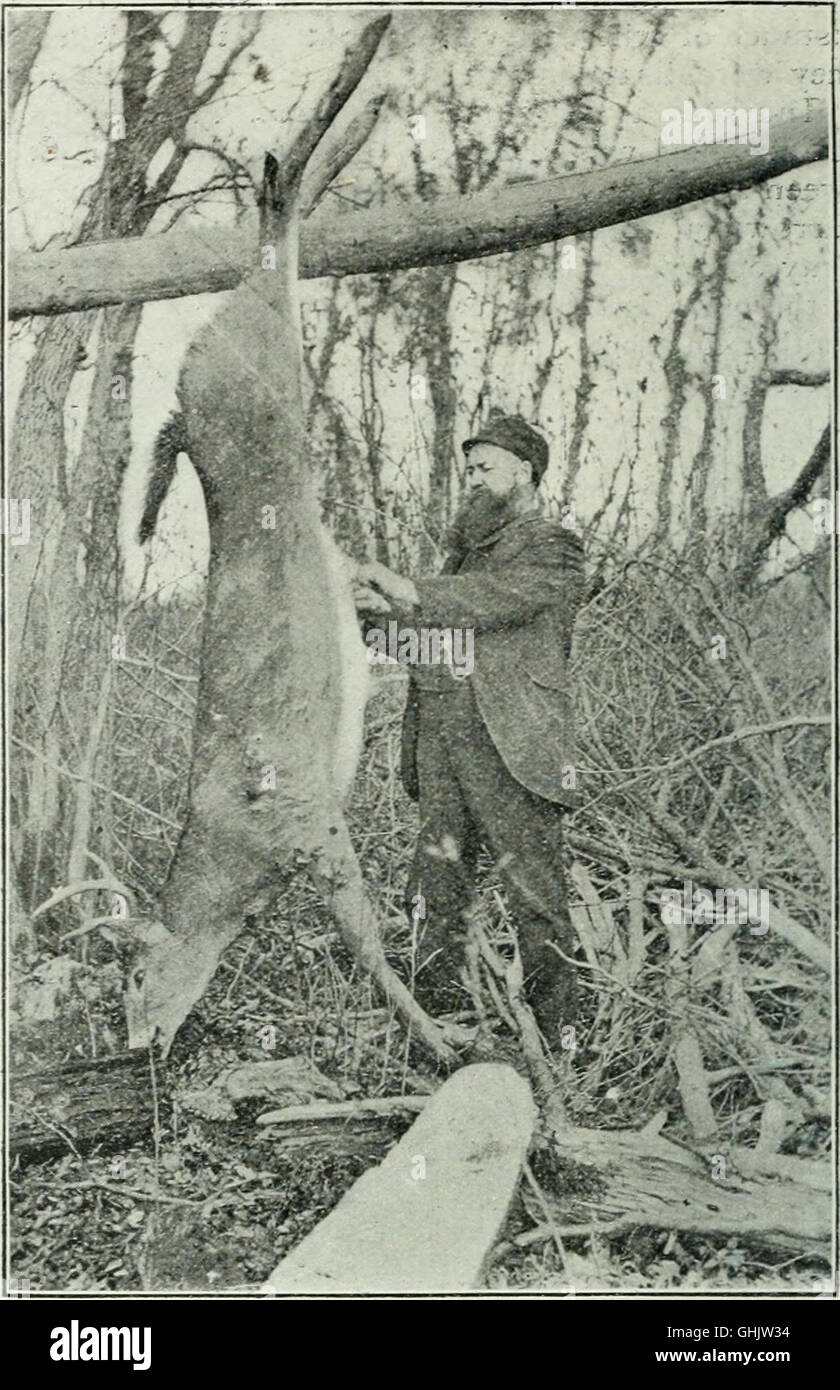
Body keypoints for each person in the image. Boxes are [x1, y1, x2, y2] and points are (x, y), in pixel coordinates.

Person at [353, 414, 585, 1045]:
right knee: (434, 889)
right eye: (469, 471)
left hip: (511, 750)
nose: (474, 481)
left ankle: (556, 1037)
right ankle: (439, 1024)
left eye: (485, 469)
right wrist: (374, 621)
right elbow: (425, 642)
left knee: (533, 896)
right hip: (441, 745)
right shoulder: (458, 562)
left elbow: (498, 600)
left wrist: (410, 592)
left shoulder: (553, 548)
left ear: (525, 472)